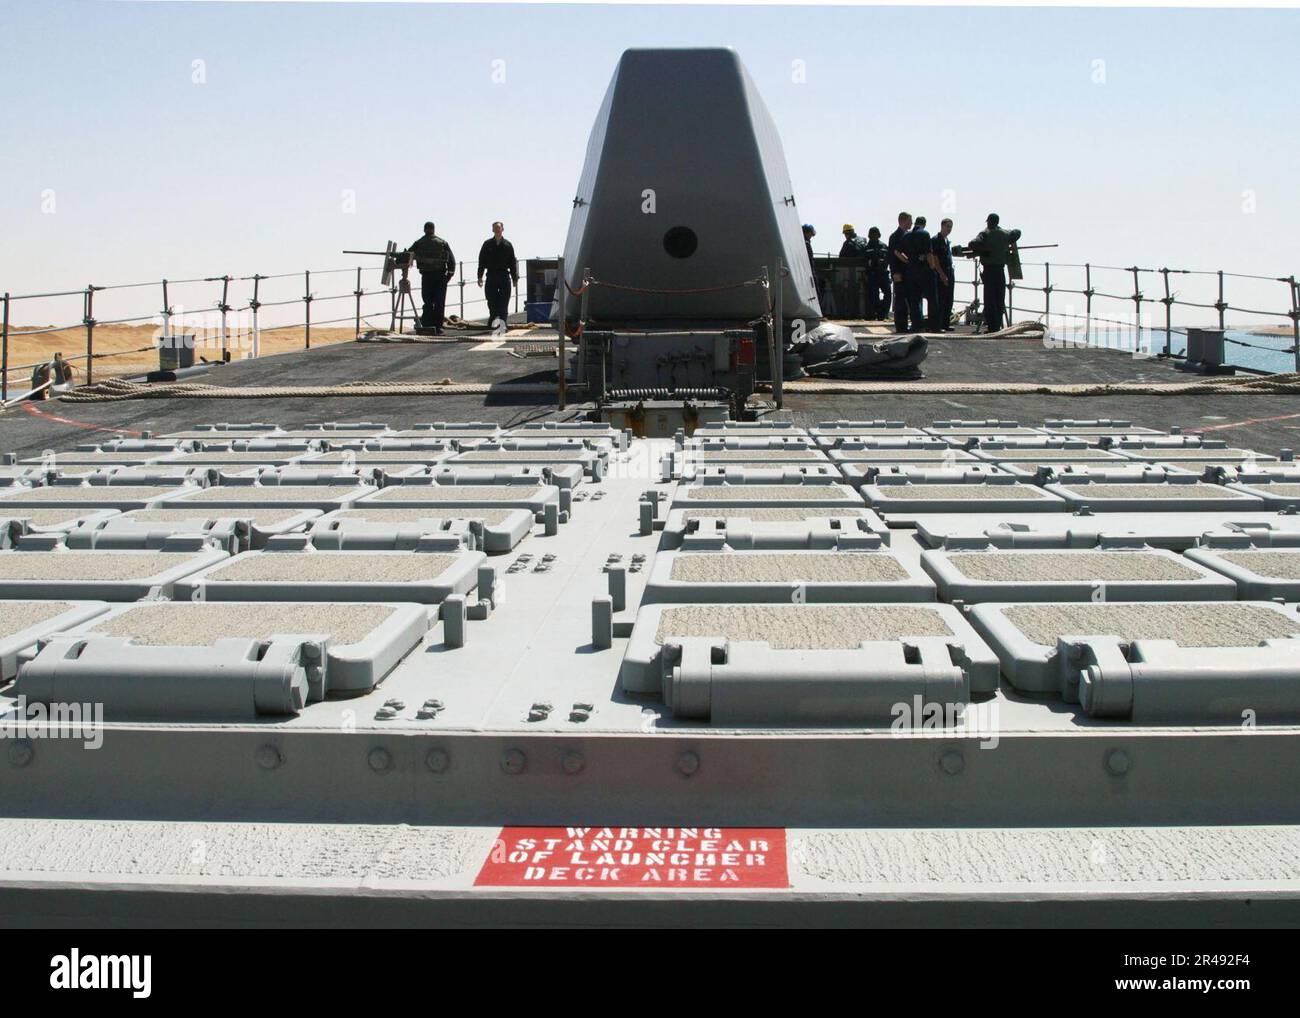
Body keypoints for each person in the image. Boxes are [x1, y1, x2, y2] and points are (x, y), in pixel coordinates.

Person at [962, 212, 1021, 333]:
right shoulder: (1006, 234)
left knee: (990, 300)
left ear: (989, 222)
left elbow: (972, 244)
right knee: (999, 299)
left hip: (989, 271)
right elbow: (1017, 232)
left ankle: (992, 327)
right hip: (1000, 271)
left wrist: (985, 249)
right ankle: (998, 326)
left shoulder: (985, 233)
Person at [409, 221, 456, 334]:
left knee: (428, 301)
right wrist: (448, 276)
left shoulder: (419, 243)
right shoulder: (442, 243)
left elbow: (408, 254)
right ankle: (438, 327)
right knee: (440, 302)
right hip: (440, 276)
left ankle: (427, 325)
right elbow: (452, 261)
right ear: (433, 229)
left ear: (424, 230)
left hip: (427, 276)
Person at [477, 221, 518, 331]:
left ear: (502, 229)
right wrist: (479, 277)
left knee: (504, 300)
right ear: (493, 230)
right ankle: (494, 320)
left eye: (499, 228)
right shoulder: (487, 244)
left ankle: (503, 322)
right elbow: (481, 261)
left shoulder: (508, 245)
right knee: (491, 299)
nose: (497, 230)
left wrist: (515, 279)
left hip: (504, 275)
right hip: (491, 275)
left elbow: (512, 263)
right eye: (495, 228)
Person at [902, 215, 935, 333]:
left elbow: (899, 252)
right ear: (924, 224)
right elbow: (929, 253)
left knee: (914, 300)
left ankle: (916, 325)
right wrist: (932, 267)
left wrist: (909, 261)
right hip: (925, 270)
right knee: (932, 298)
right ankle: (933, 326)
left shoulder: (906, 235)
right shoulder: (924, 234)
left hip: (911, 270)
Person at [886, 212, 913, 332]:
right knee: (900, 299)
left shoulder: (907, 235)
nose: (911, 223)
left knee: (906, 298)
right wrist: (895, 272)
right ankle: (901, 326)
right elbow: (893, 255)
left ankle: (904, 324)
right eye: (909, 221)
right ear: (902, 221)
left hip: (907, 272)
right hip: (899, 272)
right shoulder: (895, 236)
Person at [930, 218, 956, 331]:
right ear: (942, 226)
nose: (949, 229)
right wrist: (941, 274)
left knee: (949, 298)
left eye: (951, 226)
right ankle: (939, 324)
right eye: (947, 226)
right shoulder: (936, 240)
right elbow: (935, 259)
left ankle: (945, 323)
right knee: (940, 299)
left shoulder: (946, 241)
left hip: (949, 271)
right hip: (941, 271)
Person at [862, 226, 892, 320]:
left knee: (888, 293)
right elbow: (864, 262)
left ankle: (884, 312)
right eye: (872, 235)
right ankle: (879, 312)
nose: (874, 236)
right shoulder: (866, 248)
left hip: (883, 273)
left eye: (875, 234)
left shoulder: (884, 246)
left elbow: (888, 258)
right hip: (872, 274)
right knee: (874, 296)